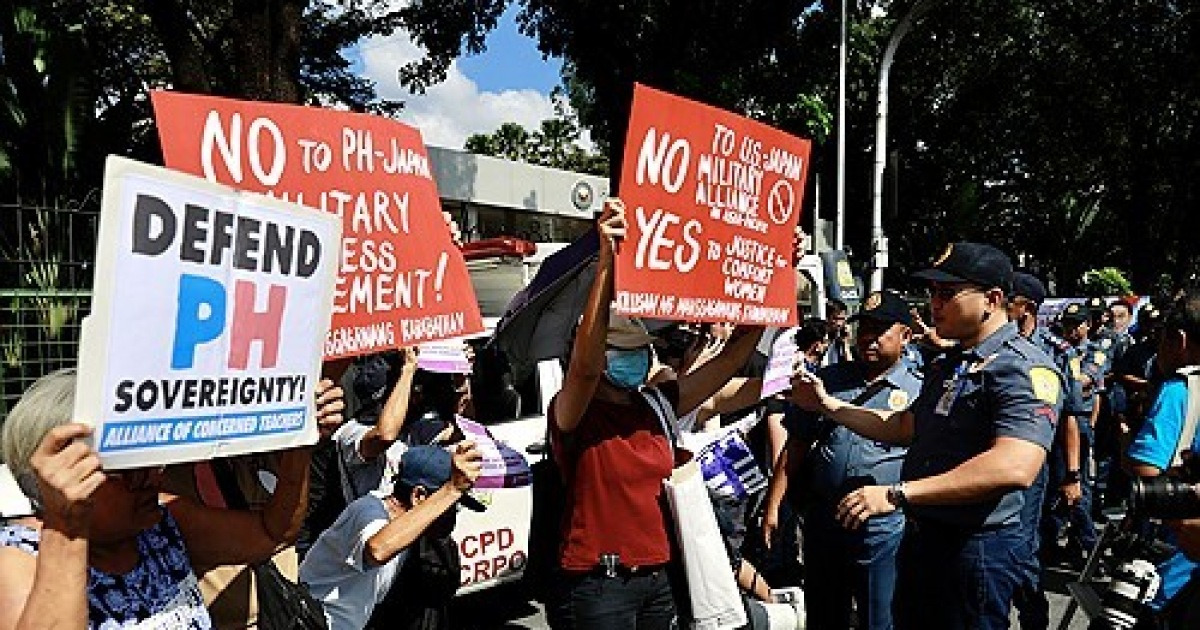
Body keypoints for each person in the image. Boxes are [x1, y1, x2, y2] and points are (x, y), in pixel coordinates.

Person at [789, 242, 1063, 629]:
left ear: (993, 299)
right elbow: (905, 427)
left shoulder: (1023, 368)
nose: (934, 302)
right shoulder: (950, 364)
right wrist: (827, 405)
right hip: (925, 540)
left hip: (974, 547)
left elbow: (1015, 465)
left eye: (948, 293)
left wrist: (897, 493)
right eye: (933, 291)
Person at [546, 198, 763, 630]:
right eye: (618, 351)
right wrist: (608, 260)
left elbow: (729, 362)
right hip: (600, 587)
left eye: (635, 349)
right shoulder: (573, 413)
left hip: (659, 581)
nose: (631, 359)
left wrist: (770, 277)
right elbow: (585, 369)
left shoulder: (657, 403)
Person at [0, 368, 343, 630]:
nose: (152, 477)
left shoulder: (160, 525)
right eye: (129, 470)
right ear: (55, 476)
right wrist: (67, 530)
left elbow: (273, 534)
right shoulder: (18, 560)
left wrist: (300, 443)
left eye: (152, 462)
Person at [766, 289, 922, 630]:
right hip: (826, 519)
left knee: (877, 618)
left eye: (880, 329)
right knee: (823, 614)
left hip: (884, 526)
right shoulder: (830, 380)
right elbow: (797, 445)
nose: (869, 336)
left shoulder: (920, 388)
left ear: (906, 335)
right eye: (863, 326)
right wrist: (775, 506)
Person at [299, 443, 482, 630]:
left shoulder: (409, 533)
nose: (452, 514)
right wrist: (451, 490)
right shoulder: (368, 512)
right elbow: (377, 550)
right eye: (448, 506)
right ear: (419, 496)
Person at [1122, 290, 1200, 625]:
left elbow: (1147, 468)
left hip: (1175, 571)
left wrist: (1127, 438)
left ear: (1179, 340)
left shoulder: (1181, 390)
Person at [822, 299, 853, 366]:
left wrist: (845, 343)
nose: (839, 323)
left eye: (842, 319)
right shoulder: (821, 336)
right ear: (827, 318)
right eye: (835, 319)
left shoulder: (841, 339)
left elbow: (851, 366)